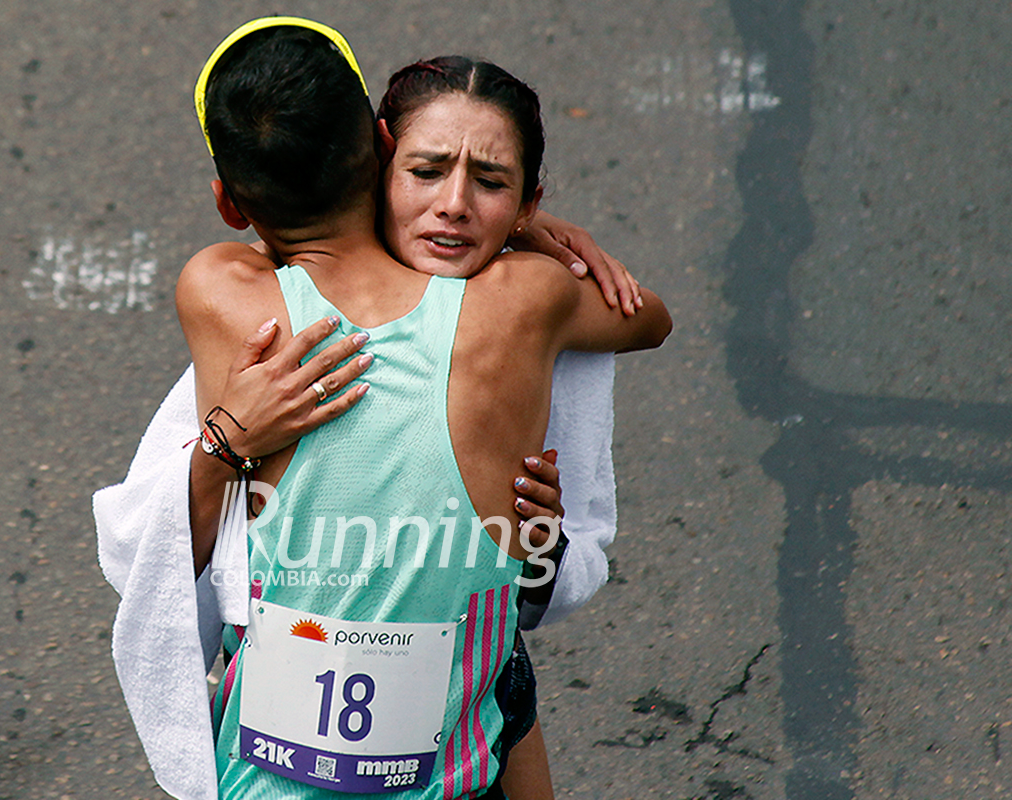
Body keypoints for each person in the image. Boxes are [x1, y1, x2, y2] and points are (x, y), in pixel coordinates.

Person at [95, 17, 670, 800]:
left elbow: (275, 248)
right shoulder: (528, 300)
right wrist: (522, 228)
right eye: (429, 170)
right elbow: (647, 318)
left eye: (484, 184)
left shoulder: (218, 290)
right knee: (501, 662)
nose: (454, 203)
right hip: (460, 765)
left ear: (230, 203)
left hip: (258, 779)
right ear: (381, 153)